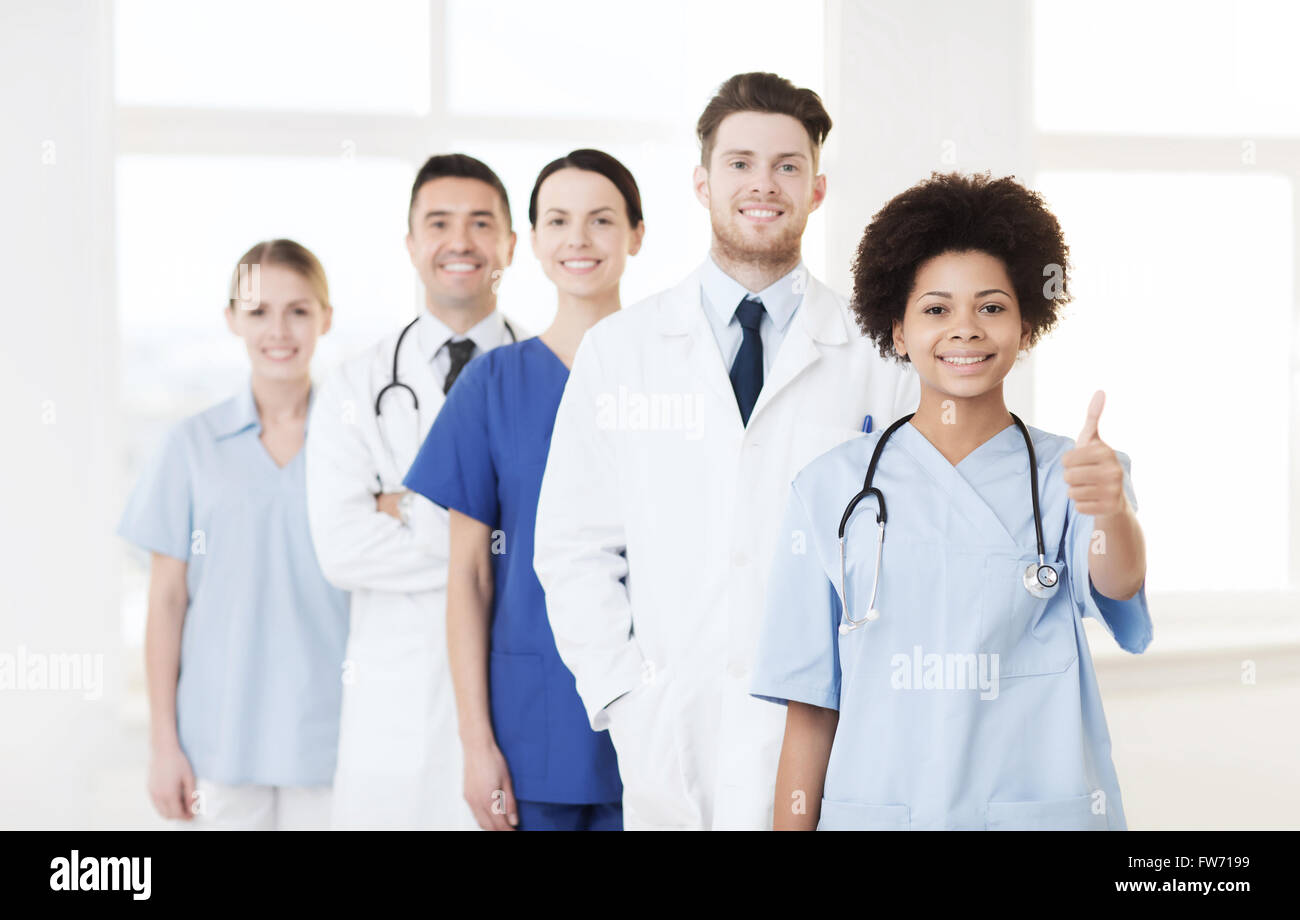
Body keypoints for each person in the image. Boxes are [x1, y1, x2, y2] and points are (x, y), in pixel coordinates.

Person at [533, 73, 919, 830]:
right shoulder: (621, 351)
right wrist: (626, 700)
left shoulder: (880, 356)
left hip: (826, 734)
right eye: (740, 163)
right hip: (669, 735)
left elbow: (910, 548)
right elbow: (573, 549)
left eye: (787, 165)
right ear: (703, 183)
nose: (762, 184)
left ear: (817, 189)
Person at [750, 171, 1153, 830]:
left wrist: (1109, 508)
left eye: (992, 307)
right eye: (936, 309)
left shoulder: (1073, 473)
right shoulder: (829, 490)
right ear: (898, 331)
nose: (965, 329)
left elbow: (1117, 579)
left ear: (1027, 326)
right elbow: (810, 705)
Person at [404, 149, 643, 831]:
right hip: (534, 724)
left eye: (601, 219)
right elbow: (469, 577)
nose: (578, 239)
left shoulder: (674, 383)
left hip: (656, 715)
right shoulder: (492, 385)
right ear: (533, 241)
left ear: (637, 234)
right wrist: (476, 744)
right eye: (558, 220)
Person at [305, 154, 521, 829]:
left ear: (510, 246)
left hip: (513, 696)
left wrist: (404, 504)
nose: (460, 242)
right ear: (411, 245)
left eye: (481, 223)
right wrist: (486, 534)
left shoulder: (550, 376)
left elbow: (561, 545)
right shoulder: (354, 384)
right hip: (394, 709)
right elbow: (341, 550)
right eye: (439, 223)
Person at [117, 239, 350, 830]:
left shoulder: (355, 446)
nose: (279, 329)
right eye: (258, 311)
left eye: (299, 310)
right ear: (232, 320)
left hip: (336, 742)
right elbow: (166, 603)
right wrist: (162, 744)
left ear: (326, 317)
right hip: (217, 744)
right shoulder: (191, 446)